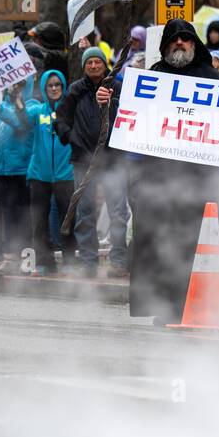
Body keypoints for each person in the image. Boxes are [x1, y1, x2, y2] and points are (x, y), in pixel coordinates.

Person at [127, 19, 219, 323]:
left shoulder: (211, 79)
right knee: (157, 245)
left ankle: (190, 304)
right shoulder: (154, 76)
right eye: (174, 39)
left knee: (190, 244)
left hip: (197, 182)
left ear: (194, 44)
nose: (180, 43)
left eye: (186, 39)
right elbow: (132, 122)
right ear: (165, 45)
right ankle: (161, 306)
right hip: (156, 180)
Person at [55, 47, 129, 277]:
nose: (94, 66)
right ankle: (88, 262)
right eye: (89, 63)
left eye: (98, 62)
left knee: (118, 212)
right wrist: (70, 138)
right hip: (83, 160)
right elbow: (61, 119)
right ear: (84, 66)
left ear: (105, 64)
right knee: (84, 211)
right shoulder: (75, 90)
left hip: (113, 159)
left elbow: (131, 114)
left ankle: (118, 261)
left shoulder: (119, 87)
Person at [0, 69, 73, 276]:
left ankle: (70, 263)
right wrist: (10, 101)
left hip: (66, 174)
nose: (54, 88)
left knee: (67, 221)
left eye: (58, 85)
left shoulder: (70, 111)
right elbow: (20, 121)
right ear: (45, 88)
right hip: (39, 175)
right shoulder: (38, 111)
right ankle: (46, 263)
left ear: (63, 87)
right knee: (39, 221)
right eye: (50, 85)